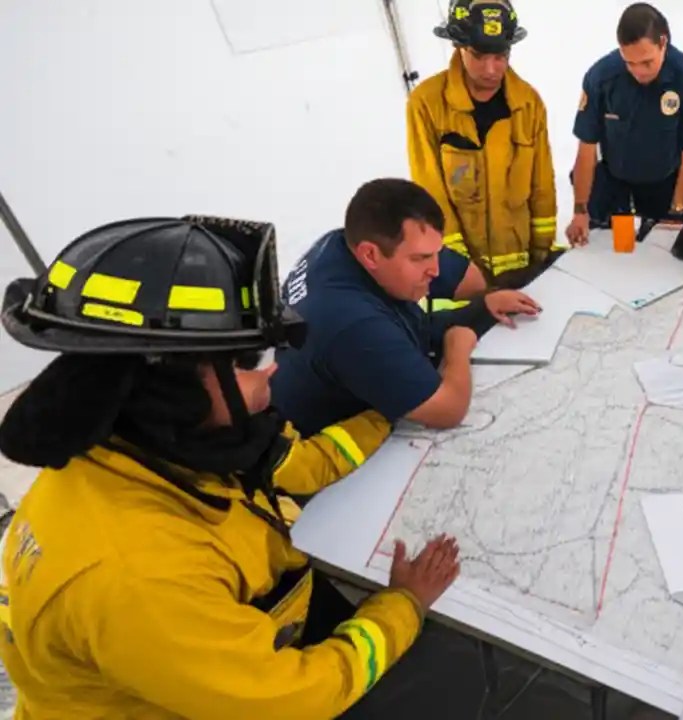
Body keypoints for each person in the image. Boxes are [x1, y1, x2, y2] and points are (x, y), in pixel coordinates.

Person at [0, 215, 461, 718]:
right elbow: (294, 698)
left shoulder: (166, 442)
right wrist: (404, 605)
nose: (272, 369)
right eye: (246, 359)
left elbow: (305, 465)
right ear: (169, 388)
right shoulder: (138, 578)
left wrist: (387, 411)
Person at [271, 178, 538, 437]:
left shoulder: (342, 246)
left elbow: (410, 325)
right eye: (421, 258)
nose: (435, 270)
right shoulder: (353, 324)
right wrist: (458, 349)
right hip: (329, 455)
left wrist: (482, 306)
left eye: (436, 253)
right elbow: (448, 410)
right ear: (371, 254)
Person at [407, 0, 558, 286]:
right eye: (478, 55)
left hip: (523, 269)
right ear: (458, 47)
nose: (490, 69)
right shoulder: (426, 104)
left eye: (500, 56)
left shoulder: (529, 104)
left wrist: (542, 256)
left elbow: (542, 188)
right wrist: (457, 268)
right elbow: (430, 194)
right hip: (461, 277)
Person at [565, 2, 683, 245]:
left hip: (662, 184)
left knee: (658, 261)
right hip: (615, 183)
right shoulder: (601, 77)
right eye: (629, 63)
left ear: (663, 43)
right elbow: (586, 148)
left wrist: (678, 210)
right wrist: (580, 210)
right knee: (612, 255)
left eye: (646, 62)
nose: (638, 72)